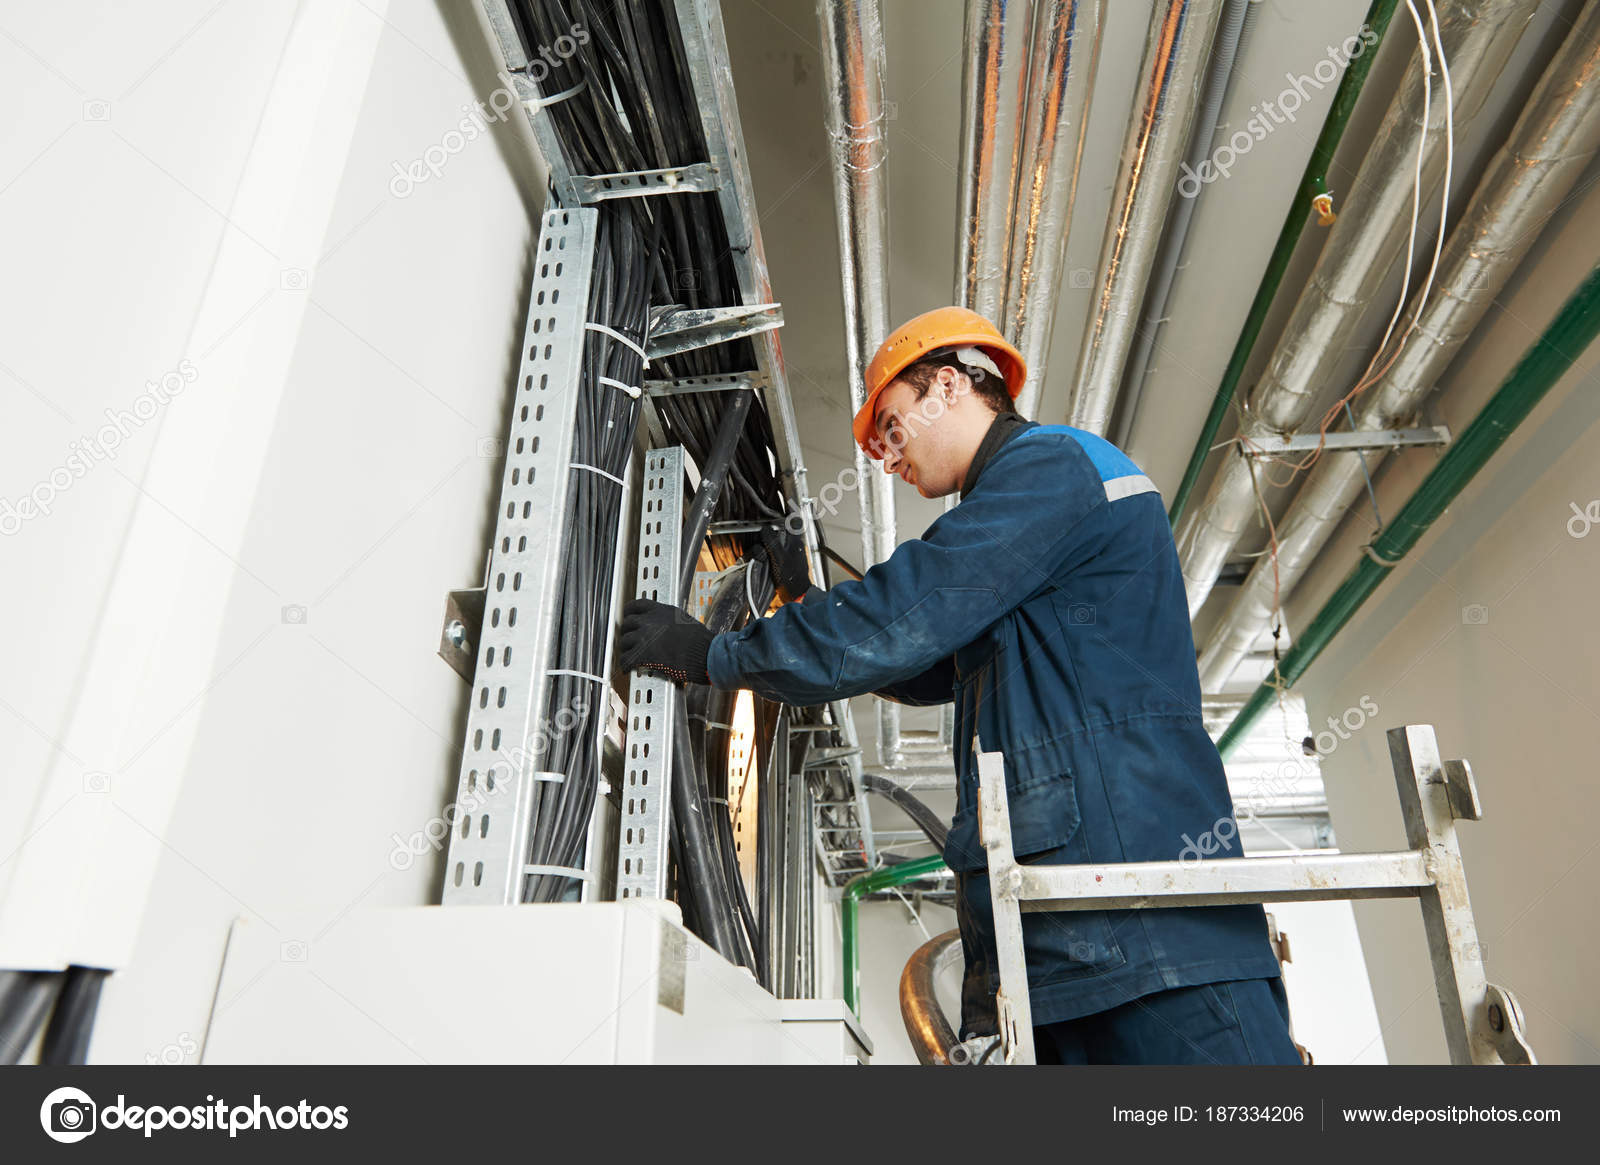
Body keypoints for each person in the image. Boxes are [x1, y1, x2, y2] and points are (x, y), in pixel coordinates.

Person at [619, 306, 1300, 1065]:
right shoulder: (1029, 525)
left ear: (947, 385)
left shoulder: (1053, 469)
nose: (887, 458)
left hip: (1147, 935)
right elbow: (922, 663)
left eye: (892, 425)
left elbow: (904, 613)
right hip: (1073, 948)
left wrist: (714, 654)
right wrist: (804, 599)